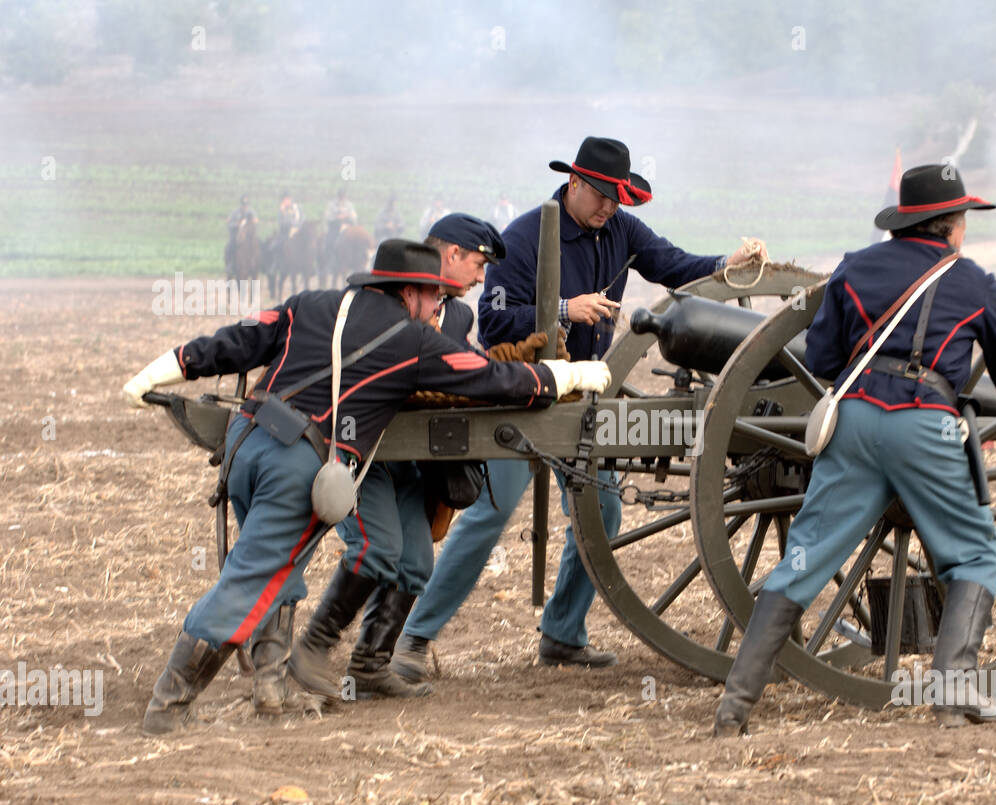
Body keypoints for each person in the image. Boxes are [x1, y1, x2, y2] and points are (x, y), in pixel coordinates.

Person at [123, 239, 610, 734]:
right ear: (412, 293)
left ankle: (271, 691)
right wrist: (565, 375)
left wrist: (166, 368)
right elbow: (488, 378)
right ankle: (170, 706)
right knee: (250, 580)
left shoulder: (308, 304)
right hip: (297, 461)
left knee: (278, 569)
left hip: (244, 444)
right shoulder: (413, 340)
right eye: (435, 299)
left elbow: (240, 340)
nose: (438, 309)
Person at [711, 164, 996, 736]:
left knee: (803, 559)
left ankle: (733, 709)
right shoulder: (972, 280)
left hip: (852, 422)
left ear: (906, 222)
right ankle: (952, 697)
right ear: (951, 224)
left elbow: (824, 356)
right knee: (975, 556)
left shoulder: (856, 267)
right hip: (924, 425)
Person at [392, 136, 766, 675]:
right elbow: (497, 324)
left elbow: (673, 265)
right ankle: (412, 638)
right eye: (603, 196)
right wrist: (565, 310)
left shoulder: (622, 230)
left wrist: (726, 264)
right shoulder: (523, 238)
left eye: (619, 199)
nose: (611, 207)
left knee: (604, 512)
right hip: (521, 391)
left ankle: (563, 634)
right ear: (574, 183)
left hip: (586, 394)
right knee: (489, 514)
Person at [289, 215, 507, 701]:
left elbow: (462, 374)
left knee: (414, 563)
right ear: (450, 255)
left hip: (408, 459)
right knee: (377, 550)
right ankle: (310, 649)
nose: (480, 279)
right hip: (359, 451)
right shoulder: (377, 306)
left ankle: (369, 665)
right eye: (476, 264)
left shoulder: (459, 319)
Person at [224, 195, 258, 272]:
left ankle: (260, 263)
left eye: (246, 205)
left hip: (249, 235)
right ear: (241, 204)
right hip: (237, 234)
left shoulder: (251, 212)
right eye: (243, 205)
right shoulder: (235, 213)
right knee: (230, 246)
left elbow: (256, 221)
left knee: (259, 244)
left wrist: (251, 222)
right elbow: (229, 222)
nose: (245, 207)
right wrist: (238, 224)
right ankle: (231, 263)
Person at [324, 187, 359, 259]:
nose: (342, 198)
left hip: (347, 226)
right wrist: (337, 217)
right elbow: (327, 216)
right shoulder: (332, 204)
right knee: (330, 242)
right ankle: (330, 258)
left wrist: (347, 216)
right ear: (338, 196)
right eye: (340, 196)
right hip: (335, 226)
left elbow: (354, 217)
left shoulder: (349, 205)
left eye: (343, 196)